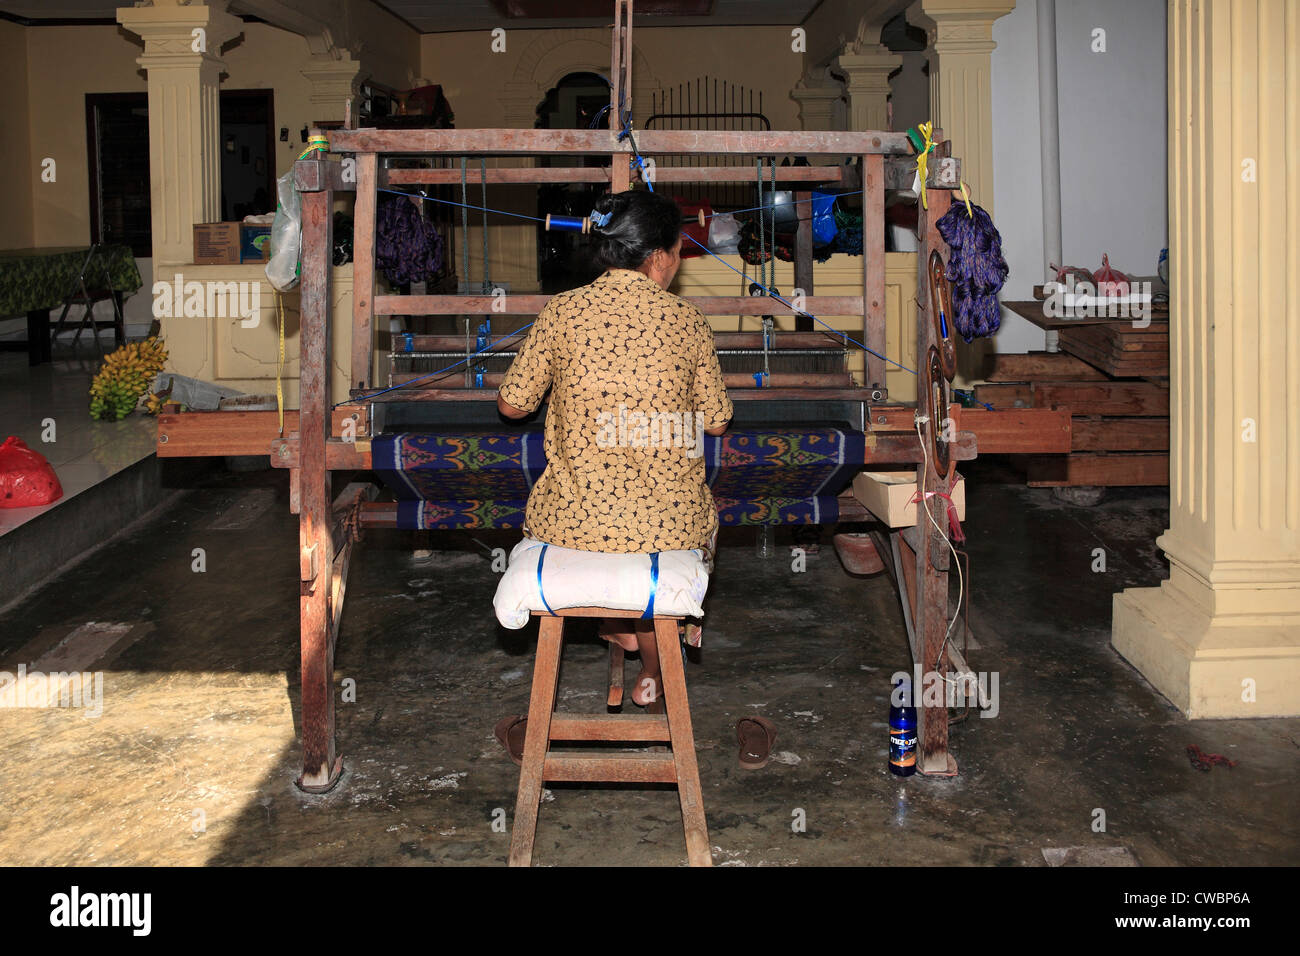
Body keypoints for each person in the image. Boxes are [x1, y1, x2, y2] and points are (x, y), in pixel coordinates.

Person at [496, 188, 732, 707]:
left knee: (600, 512)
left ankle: (623, 626)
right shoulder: (687, 322)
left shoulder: (561, 313)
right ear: (657, 256)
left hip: (571, 523)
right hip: (668, 524)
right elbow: (716, 423)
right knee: (644, 517)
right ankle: (648, 654)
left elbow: (512, 407)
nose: (676, 262)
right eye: (677, 250)